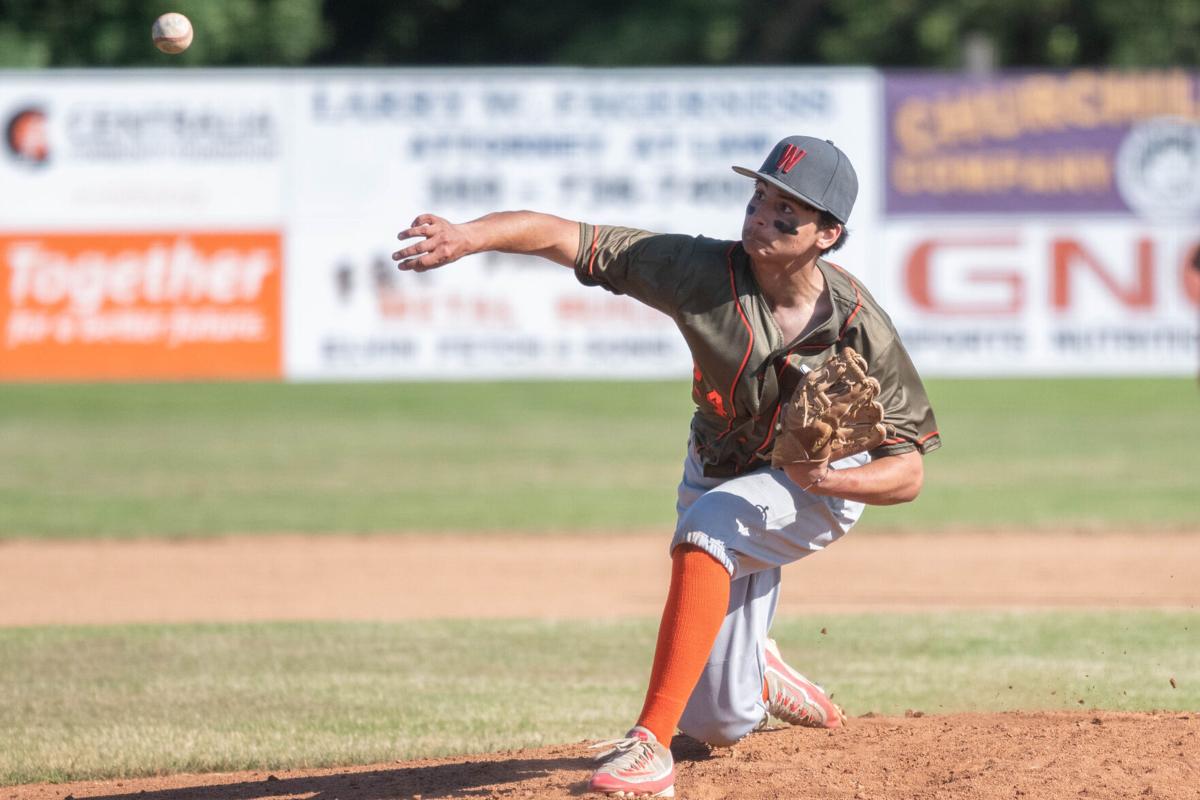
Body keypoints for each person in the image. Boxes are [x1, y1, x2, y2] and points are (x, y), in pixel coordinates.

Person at [393, 136, 941, 798]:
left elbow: (907, 471)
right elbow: (568, 237)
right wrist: (466, 237)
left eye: (786, 210)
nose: (763, 215)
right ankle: (756, 675)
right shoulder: (699, 270)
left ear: (829, 234)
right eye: (760, 197)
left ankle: (648, 745)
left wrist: (829, 479)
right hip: (717, 467)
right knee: (720, 721)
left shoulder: (860, 326)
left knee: (709, 529)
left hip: (816, 487)